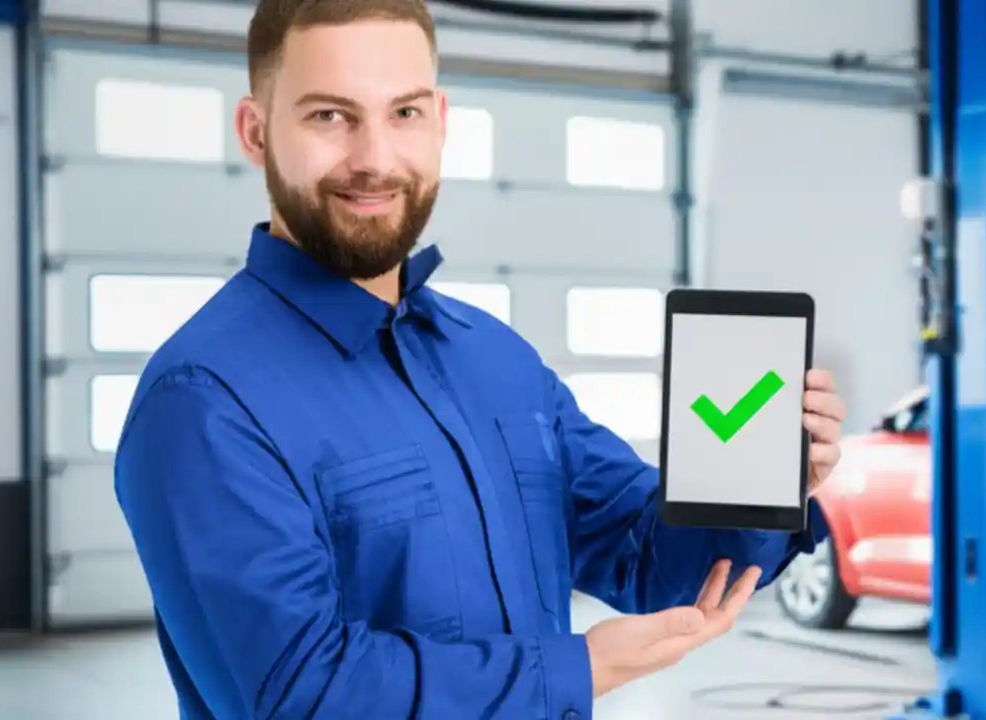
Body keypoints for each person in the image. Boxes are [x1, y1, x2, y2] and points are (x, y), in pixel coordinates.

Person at [113, 1, 847, 718]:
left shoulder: (495, 360)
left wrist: (766, 486)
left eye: (403, 113)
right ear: (255, 131)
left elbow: (649, 559)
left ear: (439, 120)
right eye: (330, 115)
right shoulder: (203, 401)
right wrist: (582, 667)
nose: (374, 159)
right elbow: (300, 693)